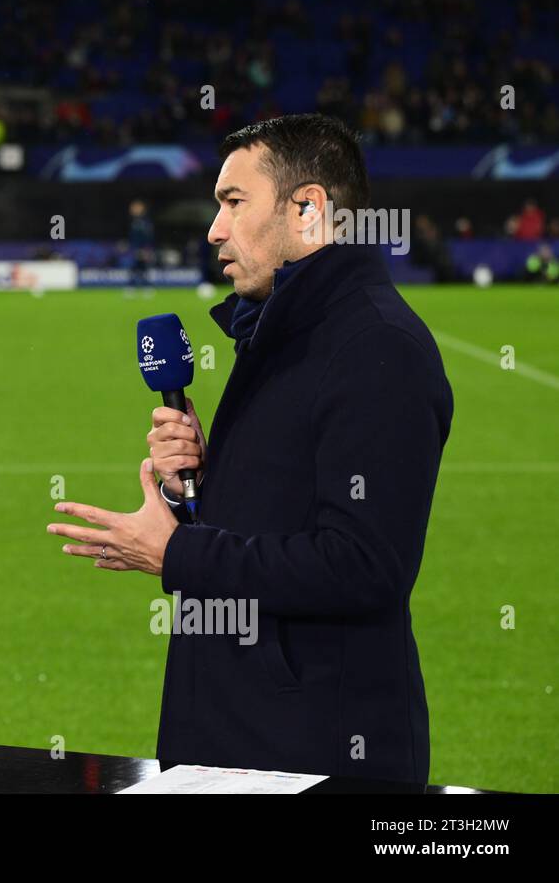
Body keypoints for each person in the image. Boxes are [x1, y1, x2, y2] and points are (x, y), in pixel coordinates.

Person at [47, 114, 453, 784]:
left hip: (313, 755)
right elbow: (278, 520)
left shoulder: (378, 348)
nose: (214, 228)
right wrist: (198, 491)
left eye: (233, 202)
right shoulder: (287, 333)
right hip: (241, 735)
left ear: (309, 210)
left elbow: (361, 565)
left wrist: (176, 551)